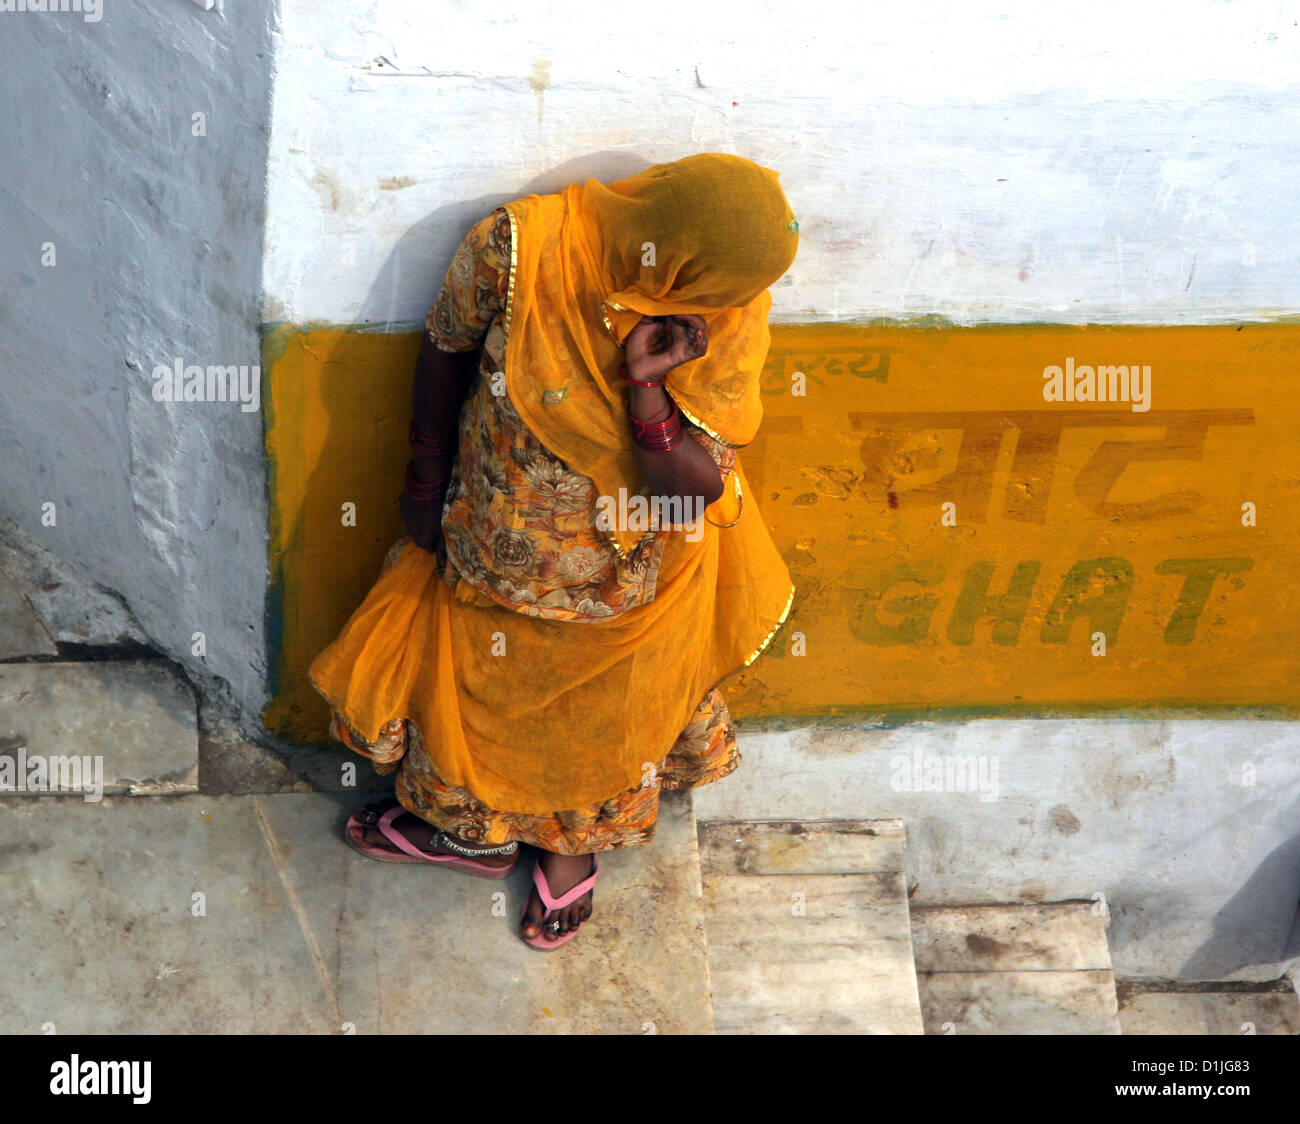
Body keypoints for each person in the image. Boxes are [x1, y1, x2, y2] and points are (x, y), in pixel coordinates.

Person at [309, 152, 800, 948]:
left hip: (638, 583)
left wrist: (647, 390)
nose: (732, 300)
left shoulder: (722, 308)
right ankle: (472, 832)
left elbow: (696, 485)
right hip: (492, 553)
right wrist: (425, 481)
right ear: (667, 237)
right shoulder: (518, 249)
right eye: (718, 283)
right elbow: (442, 351)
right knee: (477, 691)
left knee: (604, 713)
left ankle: (569, 848)